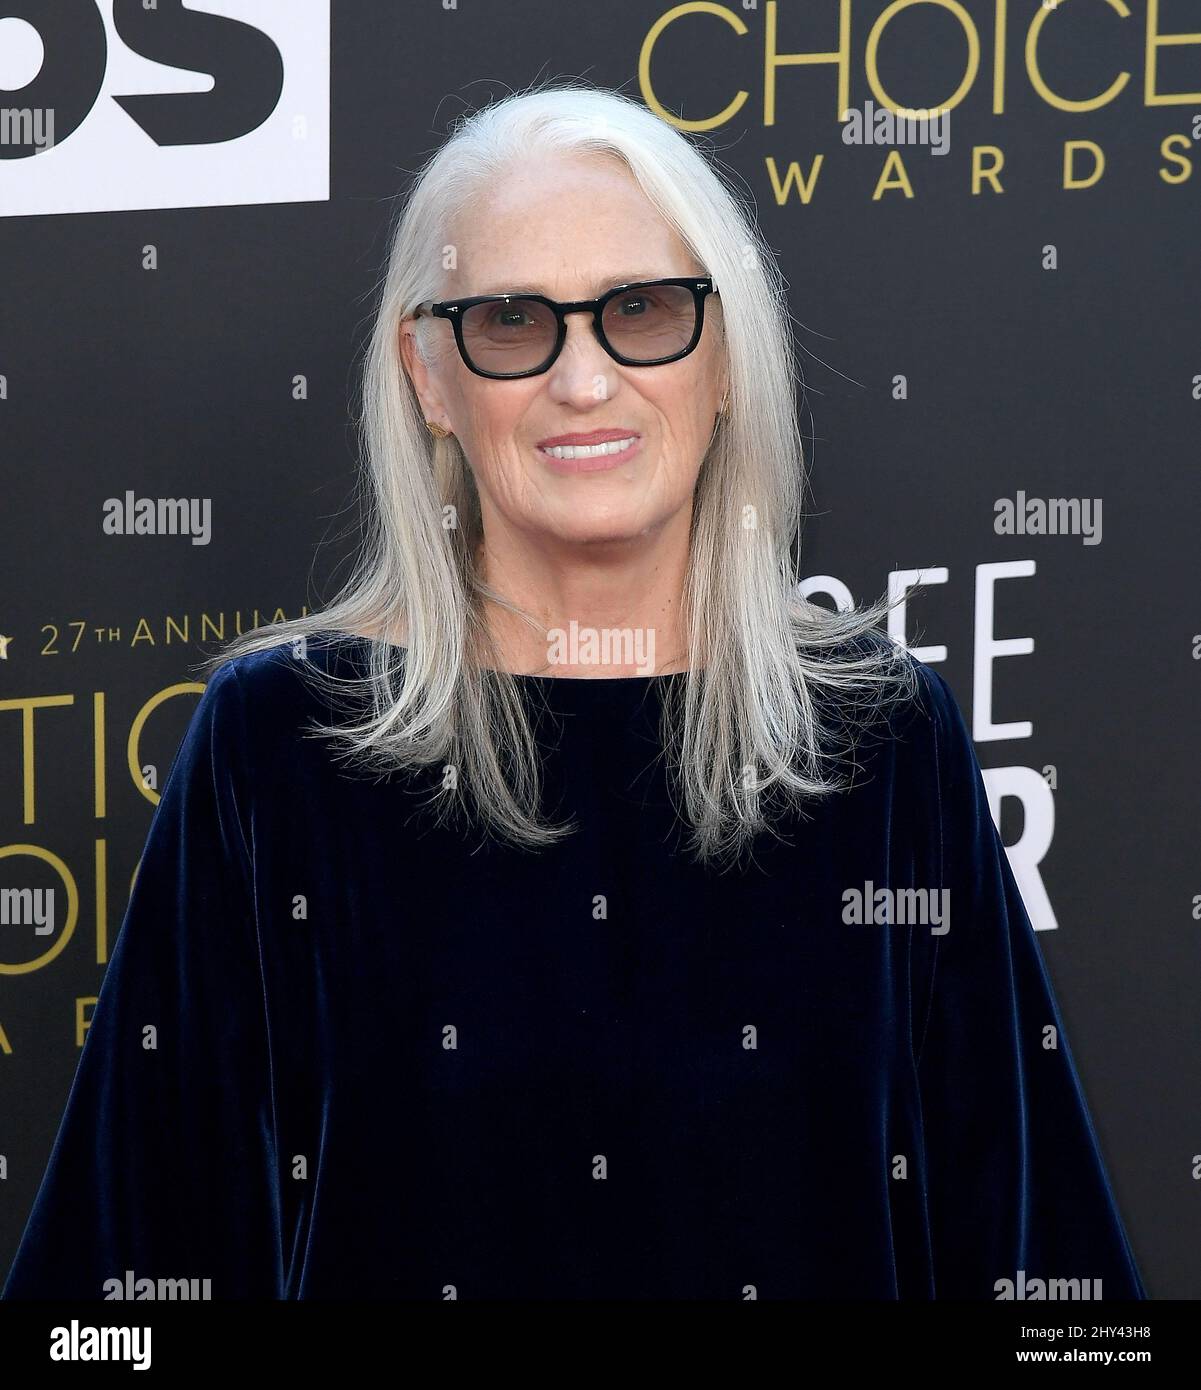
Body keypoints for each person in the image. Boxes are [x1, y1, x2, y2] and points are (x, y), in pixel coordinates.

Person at [3, 82, 1144, 1300]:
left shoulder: (881, 741)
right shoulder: (277, 748)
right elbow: (116, 1282)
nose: (584, 380)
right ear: (431, 375)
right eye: (510, 322)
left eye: (640, 311)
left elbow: (1035, 1265)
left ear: (723, 357)